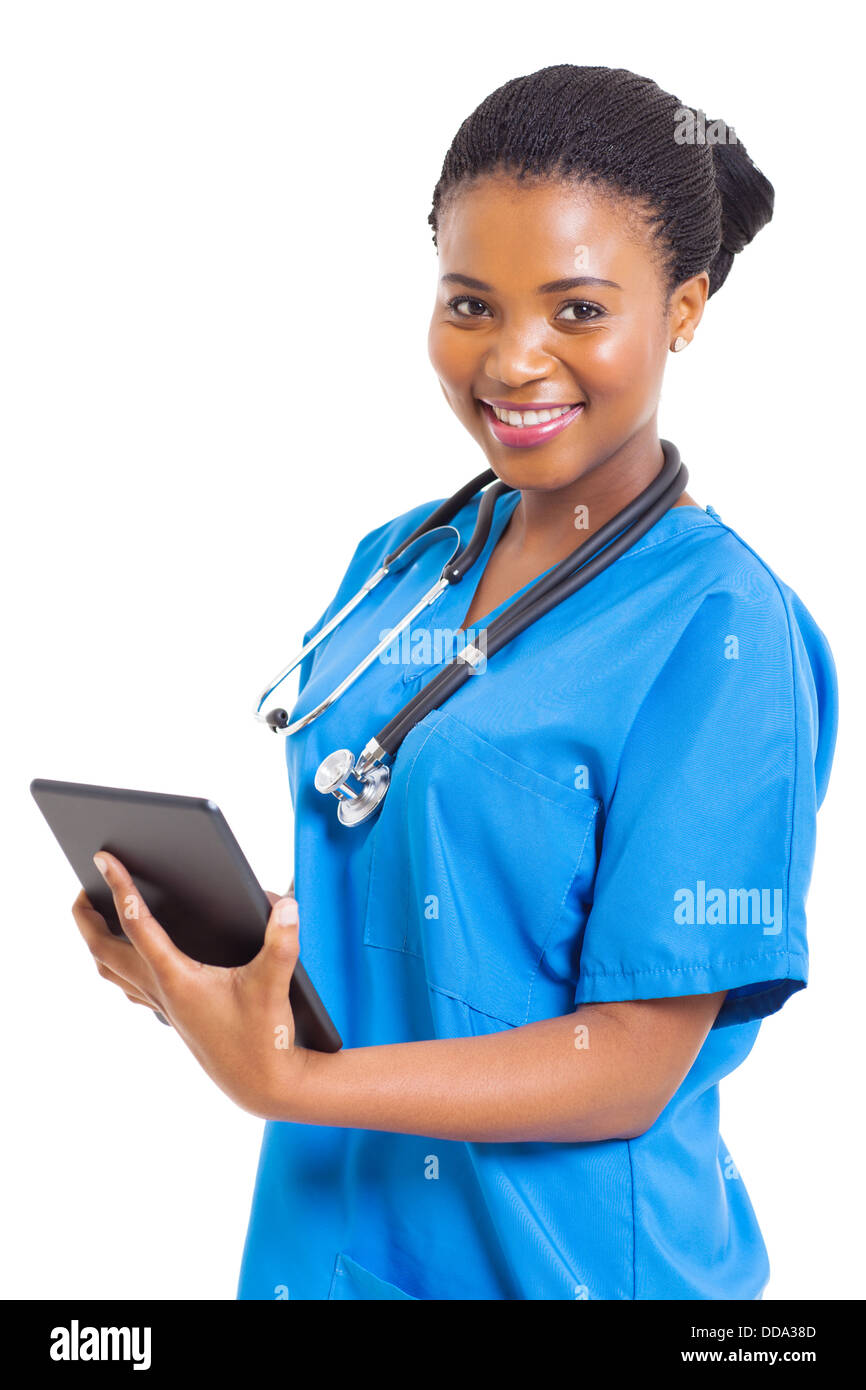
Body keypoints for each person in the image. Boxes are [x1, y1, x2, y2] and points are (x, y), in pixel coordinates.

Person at [74, 64, 839, 1300]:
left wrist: (290, 1080)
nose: (512, 359)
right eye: (471, 302)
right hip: (324, 1246)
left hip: (564, 1269)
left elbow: (631, 1059)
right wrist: (211, 982)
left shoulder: (718, 629)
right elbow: (413, 903)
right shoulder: (401, 563)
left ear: (684, 309)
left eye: (578, 311)